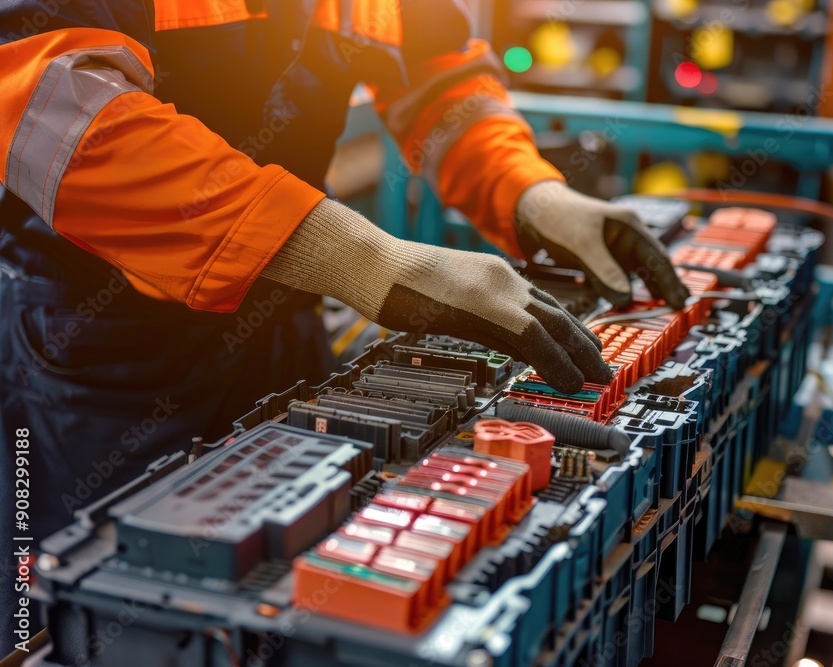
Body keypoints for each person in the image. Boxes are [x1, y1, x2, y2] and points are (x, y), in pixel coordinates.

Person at [0, 0, 687, 655]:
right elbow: (52, 105)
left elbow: (437, 75)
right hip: (101, 349)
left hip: (284, 309)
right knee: (110, 603)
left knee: (292, 583)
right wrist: (353, 254)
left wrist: (529, 191)